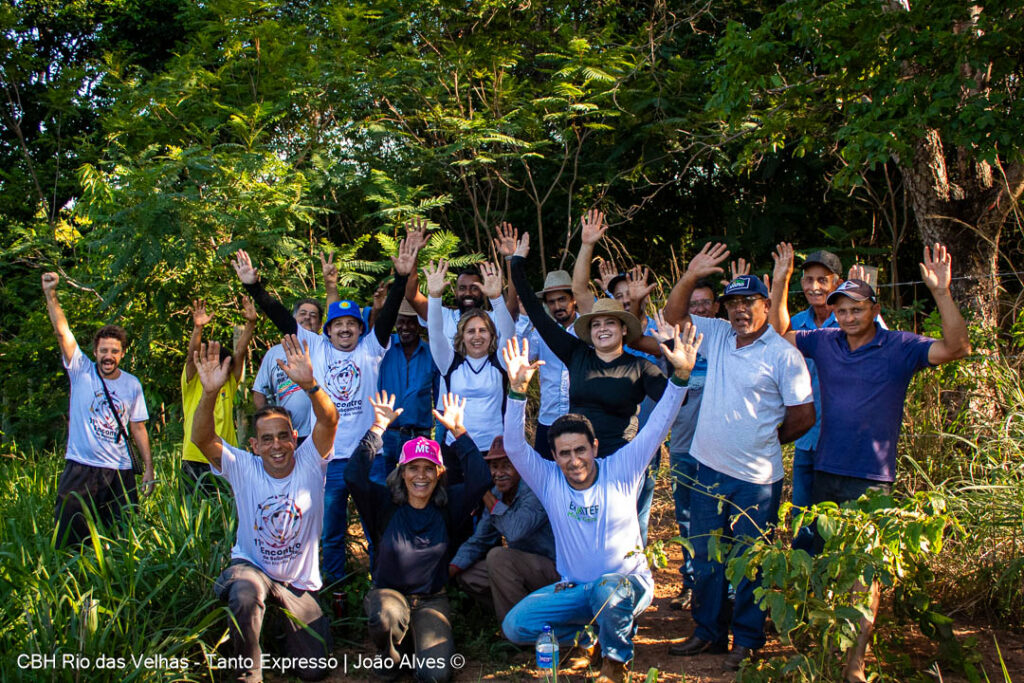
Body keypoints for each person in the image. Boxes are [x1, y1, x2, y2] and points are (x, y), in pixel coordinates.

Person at [768, 243, 970, 683]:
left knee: (864, 573)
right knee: (822, 561)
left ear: (873, 309)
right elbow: (781, 334)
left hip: (872, 479)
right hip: (826, 469)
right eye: (841, 309)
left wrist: (942, 292)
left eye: (856, 308)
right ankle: (822, 647)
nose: (847, 316)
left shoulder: (899, 347)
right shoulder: (826, 342)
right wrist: (781, 280)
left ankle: (854, 664)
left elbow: (956, 347)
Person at [500, 329, 700, 683]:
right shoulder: (549, 480)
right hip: (576, 589)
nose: (574, 460)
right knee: (517, 625)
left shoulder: (622, 469)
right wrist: (517, 391)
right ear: (554, 456)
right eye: (564, 453)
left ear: (594, 446)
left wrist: (681, 376)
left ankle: (615, 662)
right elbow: (515, 448)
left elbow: (658, 426)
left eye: (580, 450)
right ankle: (587, 637)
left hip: (626, 585)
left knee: (608, 590)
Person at [661, 244, 815, 670]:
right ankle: (707, 632)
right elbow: (674, 319)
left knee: (750, 562)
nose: (740, 310)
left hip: (756, 479)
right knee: (707, 557)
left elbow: (803, 416)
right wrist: (690, 275)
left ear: (767, 305)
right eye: (733, 303)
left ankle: (747, 639)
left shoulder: (784, 355)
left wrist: (763, 438)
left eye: (749, 302)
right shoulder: (719, 336)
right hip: (708, 468)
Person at [233, 239, 418, 583]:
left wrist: (401, 275)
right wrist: (254, 287)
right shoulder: (315, 347)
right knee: (329, 530)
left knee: (375, 525)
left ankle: (381, 585)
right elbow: (280, 316)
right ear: (327, 330)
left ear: (361, 329)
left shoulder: (371, 349)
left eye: (351, 324)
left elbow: (390, 311)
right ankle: (335, 591)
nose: (345, 329)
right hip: (327, 457)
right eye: (337, 324)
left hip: (369, 454)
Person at [191, 335, 339, 683]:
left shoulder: (310, 460)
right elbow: (202, 439)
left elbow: (329, 421)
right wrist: (210, 392)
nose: (277, 445)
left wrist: (311, 385)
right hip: (252, 568)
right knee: (245, 594)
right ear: (254, 445)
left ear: (294, 437)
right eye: (267, 439)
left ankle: (279, 637)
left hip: (297, 581)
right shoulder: (243, 466)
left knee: (315, 671)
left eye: (283, 436)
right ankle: (247, 672)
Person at [346, 391, 491, 683]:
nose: (421, 476)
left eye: (429, 468)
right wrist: (378, 428)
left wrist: (458, 431)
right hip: (389, 595)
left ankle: (415, 641)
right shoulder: (384, 503)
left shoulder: (448, 505)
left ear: (439, 474)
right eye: (413, 468)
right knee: (385, 615)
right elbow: (353, 476)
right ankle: (389, 654)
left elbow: (481, 479)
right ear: (402, 473)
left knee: (434, 675)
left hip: (431, 601)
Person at [508, 232, 667, 458]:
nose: (602, 329)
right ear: (589, 332)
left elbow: (676, 402)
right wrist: (516, 263)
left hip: (620, 462)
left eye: (610, 323)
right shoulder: (576, 354)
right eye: (596, 324)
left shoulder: (640, 368)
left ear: (623, 329)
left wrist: (676, 357)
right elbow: (537, 314)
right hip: (578, 462)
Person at [42, 272, 154, 547]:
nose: (109, 356)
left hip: (120, 472)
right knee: (70, 539)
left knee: (122, 540)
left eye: (114, 351)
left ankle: (115, 588)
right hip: (82, 468)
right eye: (104, 350)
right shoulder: (81, 370)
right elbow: (62, 332)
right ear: (95, 351)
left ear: (122, 354)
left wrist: (149, 467)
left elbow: (138, 428)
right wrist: (51, 293)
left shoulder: (132, 384)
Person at [448, 435, 558, 621]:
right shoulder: (497, 493)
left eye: (507, 465)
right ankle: (523, 615)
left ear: (521, 467)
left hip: (552, 569)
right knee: (470, 576)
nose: (499, 473)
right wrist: (448, 572)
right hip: (521, 571)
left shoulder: (534, 490)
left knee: (498, 557)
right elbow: (480, 540)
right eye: (494, 466)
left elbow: (515, 531)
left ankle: (520, 629)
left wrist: (482, 490)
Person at [424, 259, 514, 453]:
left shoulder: (500, 363)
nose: (477, 336)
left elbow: (508, 333)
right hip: (457, 447)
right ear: (461, 337)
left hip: (495, 450)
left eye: (483, 331)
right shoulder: (448, 362)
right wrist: (434, 296)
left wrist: (497, 298)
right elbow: (435, 332)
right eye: (471, 331)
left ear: (491, 335)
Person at [667, 279, 719, 611]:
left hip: (717, 447)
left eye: (705, 303)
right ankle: (690, 583)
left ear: (715, 308)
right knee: (684, 514)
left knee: (715, 516)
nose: (698, 308)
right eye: (693, 303)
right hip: (683, 444)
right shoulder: (674, 340)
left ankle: (718, 584)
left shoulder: (724, 339)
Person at [181, 297, 257, 492]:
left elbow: (239, 352)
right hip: (194, 457)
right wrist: (198, 329)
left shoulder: (229, 382)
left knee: (227, 514)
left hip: (224, 456)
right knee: (195, 515)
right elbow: (191, 357)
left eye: (221, 367)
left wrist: (251, 323)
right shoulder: (193, 380)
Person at [402, 219, 516, 345]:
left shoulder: (494, 318)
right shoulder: (443, 317)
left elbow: (513, 305)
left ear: (483, 291)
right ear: (455, 292)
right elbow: (411, 296)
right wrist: (414, 251)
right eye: (462, 288)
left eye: (474, 288)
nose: (468, 293)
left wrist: (511, 259)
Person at [374, 299, 440, 483]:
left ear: (419, 324)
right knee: (383, 488)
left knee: (417, 485)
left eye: (411, 321)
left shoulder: (431, 353)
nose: (406, 327)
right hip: (386, 433)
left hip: (418, 435)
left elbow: (439, 396)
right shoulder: (384, 348)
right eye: (401, 321)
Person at [251, 297, 326, 445]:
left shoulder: (324, 349)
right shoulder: (274, 353)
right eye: (303, 313)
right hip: (288, 435)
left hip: (322, 430)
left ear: (320, 324)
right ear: (292, 319)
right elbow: (259, 393)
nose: (307, 318)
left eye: (313, 315)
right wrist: (270, 421)